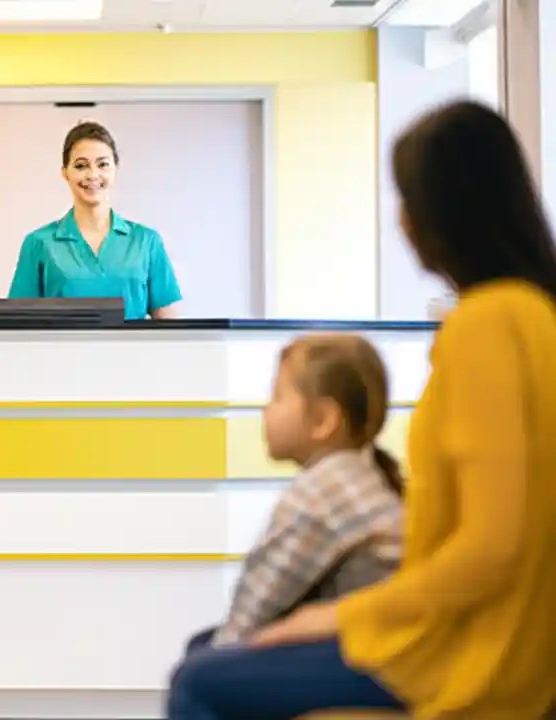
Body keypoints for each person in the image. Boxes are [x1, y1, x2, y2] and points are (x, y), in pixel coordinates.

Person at [167, 99, 556, 718]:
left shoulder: (486, 327)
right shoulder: (536, 316)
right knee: (214, 654)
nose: (400, 220)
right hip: (499, 639)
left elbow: (491, 546)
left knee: (197, 682)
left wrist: (343, 617)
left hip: (466, 656)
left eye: (406, 198)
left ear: (446, 210)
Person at [195, 334, 402, 651]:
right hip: (373, 643)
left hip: (362, 656)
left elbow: (253, 611)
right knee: (202, 646)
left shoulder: (321, 493)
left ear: (323, 420)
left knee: (200, 669)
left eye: (277, 397)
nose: (265, 410)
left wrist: (212, 662)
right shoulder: (358, 473)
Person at [8, 121, 181, 319]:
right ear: (65, 173)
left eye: (102, 164)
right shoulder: (39, 243)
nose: (92, 175)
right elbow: (19, 323)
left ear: (115, 169)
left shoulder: (146, 242)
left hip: (131, 342)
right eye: (81, 166)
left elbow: (168, 324)